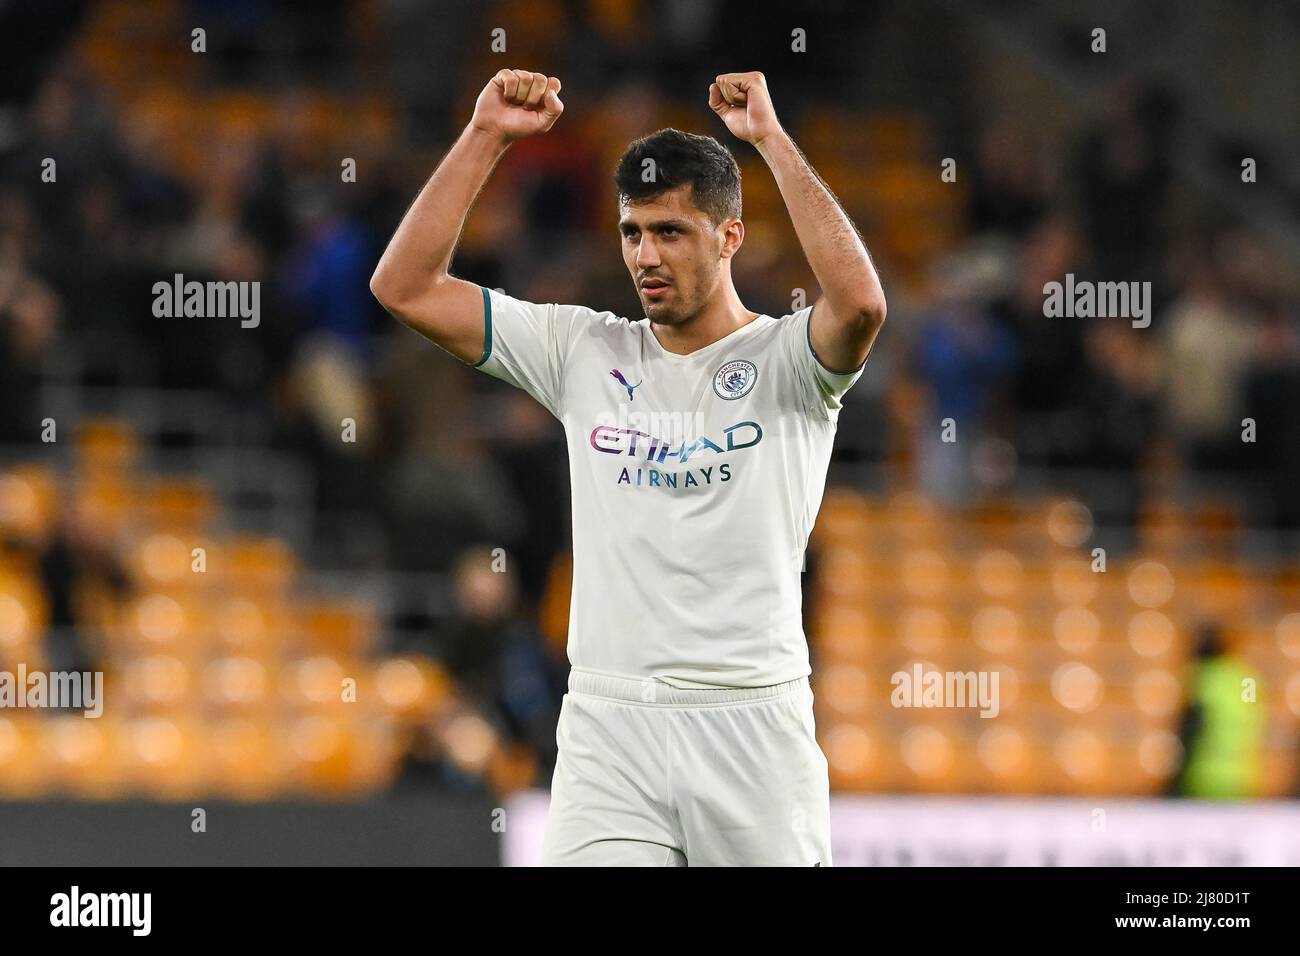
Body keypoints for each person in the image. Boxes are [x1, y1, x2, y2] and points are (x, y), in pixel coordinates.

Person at [371, 69, 886, 866]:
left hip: (750, 728)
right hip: (610, 732)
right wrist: (486, 138)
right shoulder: (583, 349)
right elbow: (404, 286)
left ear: (730, 235)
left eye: (672, 231)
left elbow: (859, 306)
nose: (646, 254)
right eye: (632, 231)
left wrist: (772, 144)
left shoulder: (787, 359)